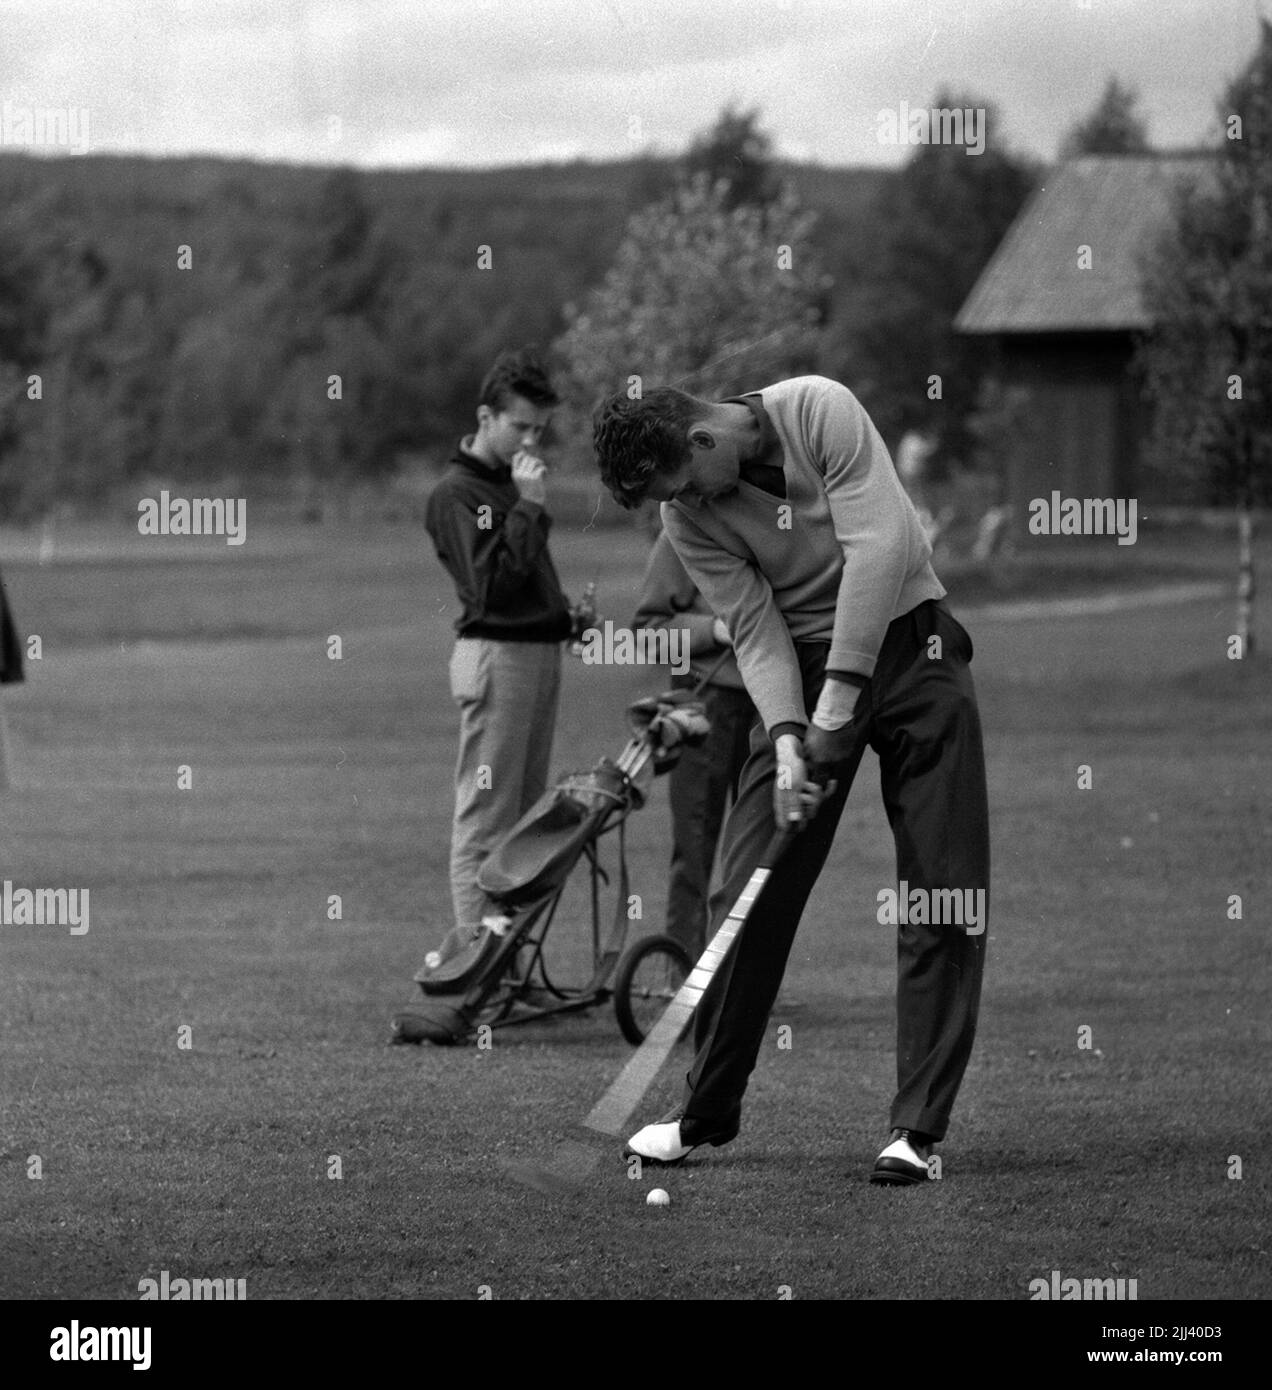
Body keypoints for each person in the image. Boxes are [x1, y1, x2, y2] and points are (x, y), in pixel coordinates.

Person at [592, 374, 990, 1186]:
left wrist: (840, 700)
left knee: (940, 889)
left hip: (915, 650)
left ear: (703, 440)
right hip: (806, 677)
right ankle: (705, 1109)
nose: (685, 506)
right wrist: (784, 737)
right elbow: (753, 627)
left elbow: (880, 548)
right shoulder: (686, 514)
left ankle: (916, 1129)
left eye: (682, 485)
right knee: (743, 888)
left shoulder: (820, 409)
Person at [417, 348, 588, 984]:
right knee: (486, 823)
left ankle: (507, 977)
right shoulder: (456, 494)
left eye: (539, 430)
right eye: (520, 426)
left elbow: (523, 586)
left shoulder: (507, 488)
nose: (530, 441)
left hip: (537, 657)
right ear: (485, 417)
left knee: (521, 827)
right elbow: (490, 590)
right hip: (497, 660)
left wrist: (566, 618)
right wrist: (531, 505)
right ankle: (472, 976)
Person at [633, 528, 755, 963]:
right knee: (694, 843)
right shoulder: (682, 531)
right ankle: (683, 974)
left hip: (774, 706)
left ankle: (744, 975)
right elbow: (647, 633)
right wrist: (714, 631)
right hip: (704, 705)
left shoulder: (776, 525)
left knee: (760, 849)